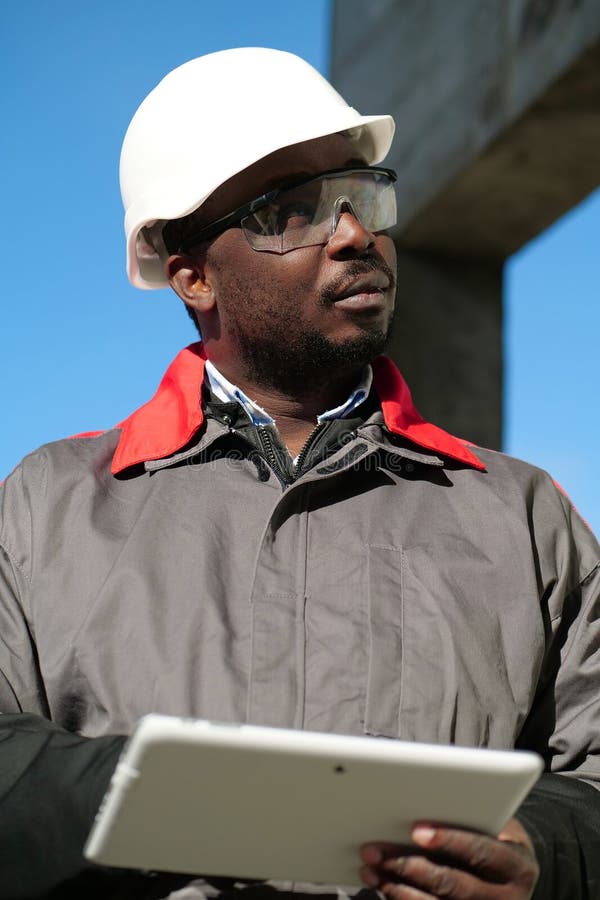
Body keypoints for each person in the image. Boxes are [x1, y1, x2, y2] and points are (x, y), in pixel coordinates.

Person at [0, 47, 598, 900]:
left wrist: (542, 851)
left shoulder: (525, 515)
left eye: (362, 195)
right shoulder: (47, 507)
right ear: (193, 276)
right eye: (293, 210)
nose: (355, 235)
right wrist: (182, 798)